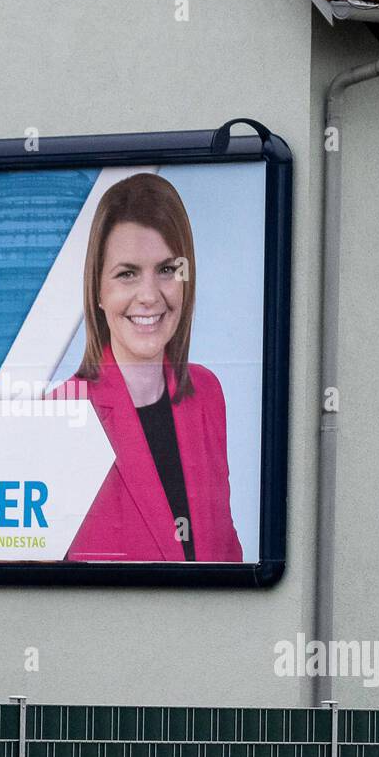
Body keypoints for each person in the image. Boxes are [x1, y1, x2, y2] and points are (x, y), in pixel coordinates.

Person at [54, 172, 242, 563]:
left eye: (166, 270)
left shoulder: (207, 393)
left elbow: (225, 551)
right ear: (98, 292)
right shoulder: (58, 413)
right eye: (127, 274)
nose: (149, 296)